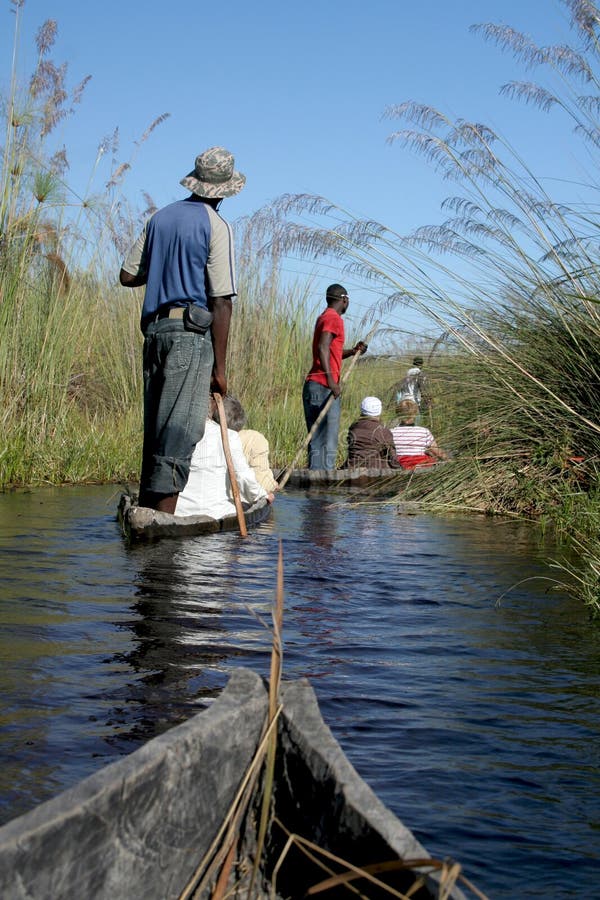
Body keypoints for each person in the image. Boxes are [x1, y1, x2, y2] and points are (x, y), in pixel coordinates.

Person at [119, 147, 245, 512]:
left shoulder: (160, 218)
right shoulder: (216, 226)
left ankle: (143, 523)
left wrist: (161, 265)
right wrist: (219, 371)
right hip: (189, 337)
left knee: (156, 431)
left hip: (155, 333)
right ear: (223, 191)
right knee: (178, 433)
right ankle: (161, 538)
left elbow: (127, 275)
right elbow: (222, 301)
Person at [302, 284, 368, 469]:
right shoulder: (334, 318)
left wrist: (354, 351)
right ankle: (324, 491)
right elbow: (323, 347)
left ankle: (315, 491)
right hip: (323, 387)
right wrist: (331, 381)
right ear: (344, 300)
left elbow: (331, 351)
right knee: (327, 442)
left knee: (316, 441)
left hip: (315, 385)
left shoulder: (323, 317)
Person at [175, 396, 271, 518]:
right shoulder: (230, 437)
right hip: (214, 513)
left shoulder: (181, 431)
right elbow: (243, 477)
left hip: (178, 511)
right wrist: (263, 495)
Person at [215, 394, 279, 494]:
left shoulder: (203, 437)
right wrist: (271, 484)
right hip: (241, 497)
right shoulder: (254, 439)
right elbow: (263, 482)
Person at [345, 396, 402, 469]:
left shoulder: (353, 429)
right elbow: (393, 460)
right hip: (376, 473)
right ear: (379, 411)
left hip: (352, 469)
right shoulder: (383, 431)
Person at [390, 399, 447, 469]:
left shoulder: (391, 433)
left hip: (402, 466)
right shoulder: (424, 431)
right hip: (422, 467)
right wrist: (448, 460)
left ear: (398, 414)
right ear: (415, 414)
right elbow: (437, 452)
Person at [397, 356, 431, 420]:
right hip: (414, 401)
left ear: (413, 364)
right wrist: (428, 401)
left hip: (403, 399)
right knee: (415, 422)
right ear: (422, 364)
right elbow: (422, 388)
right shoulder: (420, 374)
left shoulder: (407, 373)